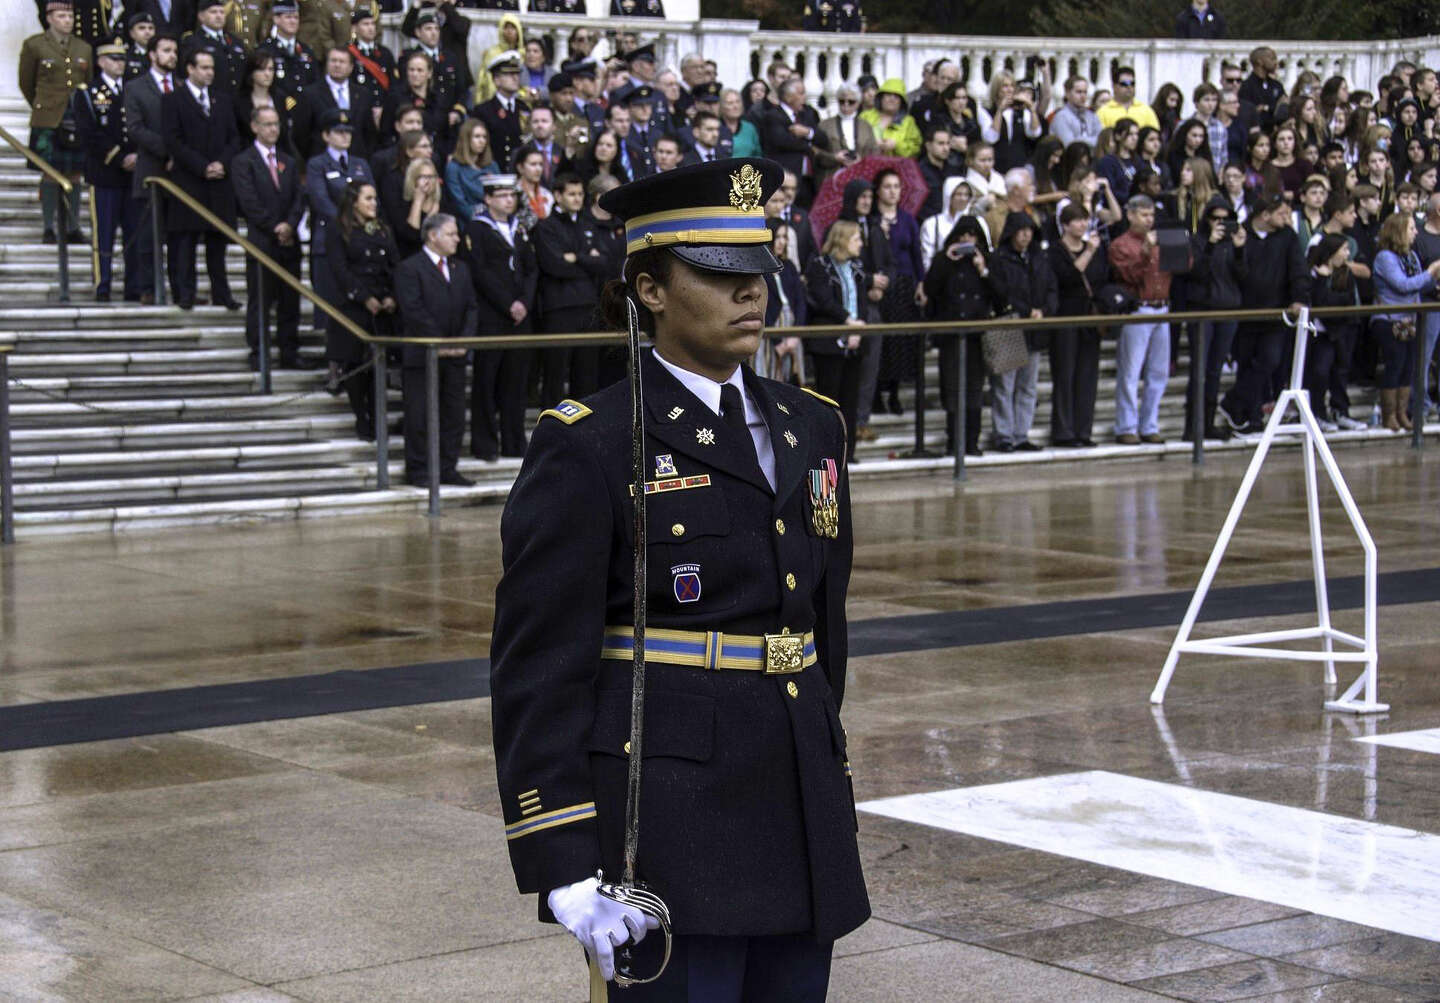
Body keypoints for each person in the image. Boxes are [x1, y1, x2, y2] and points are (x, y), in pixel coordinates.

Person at [492, 158, 867, 1000]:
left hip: (797, 811)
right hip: (670, 831)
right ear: (651, 288)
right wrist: (562, 863)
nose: (750, 295)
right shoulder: (590, 443)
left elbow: (821, 626)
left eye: (759, 273)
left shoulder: (813, 425)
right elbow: (539, 667)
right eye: (718, 275)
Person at [1217, 193, 1311, 435]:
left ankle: (1233, 402)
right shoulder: (1242, 233)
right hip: (1246, 311)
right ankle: (1250, 416)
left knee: (1270, 360)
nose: (1287, 218)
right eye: (1281, 213)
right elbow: (1237, 272)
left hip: (1276, 312)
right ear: (1265, 214)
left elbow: (1298, 268)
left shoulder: (1287, 236)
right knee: (1247, 364)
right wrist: (1238, 250)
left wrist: (1299, 297)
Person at [394, 212, 477, 487]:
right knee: (419, 414)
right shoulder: (410, 268)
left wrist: (462, 342)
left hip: (454, 357)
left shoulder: (460, 268)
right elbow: (413, 310)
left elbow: (471, 309)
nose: (457, 239)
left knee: (453, 415)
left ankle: (447, 468)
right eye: (451, 234)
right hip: (423, 356)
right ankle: (418, 470)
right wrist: (442, 342)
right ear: (433, 235)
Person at [163, 48, 242, 312]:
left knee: (217, 242)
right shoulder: (174, 100)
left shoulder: (222, 99)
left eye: (211, 68)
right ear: (190, 69)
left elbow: (234, 137)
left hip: (219, 181)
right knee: (186, 241)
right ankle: (186, 292)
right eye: (204, 67)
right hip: (190, 180)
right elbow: (173, 140)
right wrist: (201, 166)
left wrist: (222, 163)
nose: (209, 73)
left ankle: (222, 292)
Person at [464, 173, 535, 461]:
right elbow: (480, 272)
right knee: (487, 381)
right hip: (493, 316)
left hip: (521, 316)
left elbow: (532, 268)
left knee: (515, 382)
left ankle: (514, 441)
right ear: (488, 198)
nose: (509, 200)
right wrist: (508, 304)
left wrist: (524, 302)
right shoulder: (477, 229)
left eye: (512, 195)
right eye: (503, 195)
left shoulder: (521, 229)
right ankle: (485, 443)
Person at [232, 104, 308, 370]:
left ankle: (289, 350)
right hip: (263, 242)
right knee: (261, 299)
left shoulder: (288, 160)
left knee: (290, 300)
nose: (273, 129)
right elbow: (249, 201)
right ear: (254, 127)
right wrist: (274, 226)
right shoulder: (244, 161)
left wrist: (290, 224)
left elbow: (299, 197)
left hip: (289, 242)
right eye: (267, 124)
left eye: (276, 124)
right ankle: (259, 351)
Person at [532, 172, 610, 403]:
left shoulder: (587, 224)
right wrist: (587, 259)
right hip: (559, 308)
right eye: (571, 194)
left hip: (587, 307)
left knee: (586, 377)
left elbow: (603, 263)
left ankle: (584, 435)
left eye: (580, 194)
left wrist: (575, 257)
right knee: (555, 375)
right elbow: (554, 265)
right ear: (557, 195)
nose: (577, 199)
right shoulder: (546, 227)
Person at [73, 40, 141, 302]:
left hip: (133, 173)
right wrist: (118, 157)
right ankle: (103, 284)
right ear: (101, 62)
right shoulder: (87, 92)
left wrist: (137, 156)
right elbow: (89, 132)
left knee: (133, 232)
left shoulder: (132, 89)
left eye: (122, 59)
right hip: (104, 172)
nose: (119, 64)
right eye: (113, 59)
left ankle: (133, 286)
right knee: (104, 233)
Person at [20, 0, 91, 244]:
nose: (67, 20)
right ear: (49, 17)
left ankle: (72, 226)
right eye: (61, 16)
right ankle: (49, 226)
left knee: (75, 174)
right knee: (50, 174)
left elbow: (87, 83)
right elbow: (26, 83)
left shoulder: (83, 48)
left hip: (75, 119)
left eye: (70, 16)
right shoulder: (34, 45)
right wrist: (43, 106)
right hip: (48, 118)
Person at [988, 211, 1056, 451]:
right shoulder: (999, 259)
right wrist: (1025, 309)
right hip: (1008, 326)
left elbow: (1050, 287)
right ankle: (1004, 434)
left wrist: (1044, 309)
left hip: (1034, 329)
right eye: (1022, 230)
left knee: (1028, 386)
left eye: (1030, 230)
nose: (1026, 235)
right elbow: (999, 291)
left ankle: (1021, 433)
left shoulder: (1040, 258)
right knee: (1004, 386)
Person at [1108, 194, 1174, 444]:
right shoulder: (1121, 245)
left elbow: (1184, 265)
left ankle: (1149, 425)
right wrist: (1146, 251)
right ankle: (1126, 426)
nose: (1149, 220)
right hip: (1138, 308)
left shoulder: (1161, 239)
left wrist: (1178, 245)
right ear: (1130, 215)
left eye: (1151, 215)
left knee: (1158, 372)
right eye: (1144, 215)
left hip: (1162, 307)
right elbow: (1129, 276)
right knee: (1131, 371)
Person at [804, 219, 870, 461]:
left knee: (850, 402)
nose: (861, 244)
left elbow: (861, 301)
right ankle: (829, 453)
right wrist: (846, 321)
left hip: (854, 342)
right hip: (829, 341)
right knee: (829, 401)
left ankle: (848, 453)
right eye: (856, 239)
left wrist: (858, 327)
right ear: (842, 239)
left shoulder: (856, 268)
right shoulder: (820, 266)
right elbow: (822, 299)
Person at [1371, 212, 1440, 431]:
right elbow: (1402, 285)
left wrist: (1435, 280)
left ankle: (1402, 414)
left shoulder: (1410, 255)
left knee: (1408, 367)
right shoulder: (1384, 257)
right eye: (1411, 228)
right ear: (1399, 231)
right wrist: (1430, 273)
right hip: (1389, 319)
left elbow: (1420, 285)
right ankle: (1388, 414)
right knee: (1395, 365)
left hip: (1410, 320)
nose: (1416, 232)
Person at [306, 108, 375, 329]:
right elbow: (320, 200)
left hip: (359, 240)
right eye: (338, 132)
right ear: (326, 135)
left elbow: (372, 196)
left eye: (348, 132)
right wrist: (350, 220)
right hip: (330, 237)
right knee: (329, 300)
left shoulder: (360, 164)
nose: (345, 136)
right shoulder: (317, 164)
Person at [1047, 203, 1108, 447]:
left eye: (1085, 219)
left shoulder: (1094, 250)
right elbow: (1068, 277)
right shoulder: (1055, 251)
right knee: (1065, 375)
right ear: (1065, 224)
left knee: (1087, 376)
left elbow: (1101, 277)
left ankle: (1084, 430)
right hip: (1065, 317)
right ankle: (1064, 432)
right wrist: (1089, 253)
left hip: (1089, 318)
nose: (1083, 224)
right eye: (1077, 220)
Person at [124, 31, 176, 303]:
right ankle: (148, 287)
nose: (172, 56)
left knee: (179, 235)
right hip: (152, 168)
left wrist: (180, 153)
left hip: (179, 172)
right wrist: (168, 149)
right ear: (152, 55)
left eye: (174, 51)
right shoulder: (136, 87)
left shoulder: (180, 85)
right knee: (148, 234)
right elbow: (135, 128)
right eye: (166, 50)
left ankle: (181, 288)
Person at [1304, 234, 1360, 432]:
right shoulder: (1314, 273)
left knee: (1341, 371)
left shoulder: (1346, 273)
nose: (1347, 253)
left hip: (1342, 329)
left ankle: (1340, 411)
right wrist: (1322, 280)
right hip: (1321, 332)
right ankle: (1317, 413)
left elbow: (1347, 299)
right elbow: (1319, 301)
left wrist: (1332, 299)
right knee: (1320, 372)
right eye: (1343, 249)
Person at [292, 45, 378, 159]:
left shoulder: (363, 94)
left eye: (342, 62)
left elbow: (369, 133)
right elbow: (301, 134)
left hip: (357, 162)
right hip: (322, 161)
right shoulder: (310, 94)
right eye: (333, 61)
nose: (337, 65)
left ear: (351, 67)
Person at [473, 49, 528, 171]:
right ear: (496, 80)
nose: (515, 78)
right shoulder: (483, 111)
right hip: (493, 170)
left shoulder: (523, 107)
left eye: (517, 74)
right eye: (509, 74)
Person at [181, 0, 247, 97]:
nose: (218, 16)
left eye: (222, 12)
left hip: (237, 98)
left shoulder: (236, 41)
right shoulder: (193, 41)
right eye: (213, 12)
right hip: (210, 98)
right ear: (201, 16)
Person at [978, 71, 1042, 173]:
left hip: (1019, 166)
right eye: (1005, 86)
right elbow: (991, 138)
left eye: (1012, 86)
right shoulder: (986, 111)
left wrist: (1032, 110)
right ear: (997, 89)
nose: (1010, 90)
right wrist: (999, 111)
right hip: (996, 167)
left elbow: (1035, 133)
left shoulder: (1021, 111)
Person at [257, 3, 319, 104]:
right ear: (276, 19)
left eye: (296, 18)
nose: (293, 21)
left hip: (305, 107)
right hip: (277, 107)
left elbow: (315, 81)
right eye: (288, 17)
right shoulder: (266, 49)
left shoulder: (306, 51)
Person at [816, 83, 872, 185]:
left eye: (851, 102)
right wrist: (835, 157)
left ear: (858, 103)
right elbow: (816, 152)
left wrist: (861, 160)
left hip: (860, 179)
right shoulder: (825, 125)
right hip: (832, 178)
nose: (846, 105)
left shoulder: (866, 126)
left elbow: (874, 152)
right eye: (842, 101)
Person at [445, 117, 498, 220]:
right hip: (470, 220)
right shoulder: (454, 168)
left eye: (484, 137)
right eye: (477, 137)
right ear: (466, 139)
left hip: (496, 217)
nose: (482, 141)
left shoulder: (492, 165)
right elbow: (459, 204)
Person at [862, 78, 923, 159]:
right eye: (888, 95)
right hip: (867, 166)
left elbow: (916, 148)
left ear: (902, 102)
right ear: (881, 98)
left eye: (896, 96)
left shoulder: (908, 122)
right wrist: (871, 143)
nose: (892, 99)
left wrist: (896, 146)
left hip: (896, 169)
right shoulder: (865, 116)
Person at [348, 9, 395, 106]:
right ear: (354, 28)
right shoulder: (349, 53)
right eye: (365, 24)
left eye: (373, 24)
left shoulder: (385, 53)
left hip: (384, 107)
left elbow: (393, 84)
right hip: (360, 108)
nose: (371, 28)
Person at [1051, 75, 1102, 149]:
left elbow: (1102, 140)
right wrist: (1091, 141)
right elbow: (1070, 145)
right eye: (1079, 92)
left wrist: (1079, 139)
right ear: (1067, 93)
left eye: (1085, 92)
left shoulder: (1092, 116)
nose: (1083, 96)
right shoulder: (1061, 117)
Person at [720, 87, 762, 158]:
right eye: (730, 103)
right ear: (721, 106)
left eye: (738, 102)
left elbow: (758, 154)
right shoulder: (715, 128)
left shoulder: (749, 128)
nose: (735, 106)